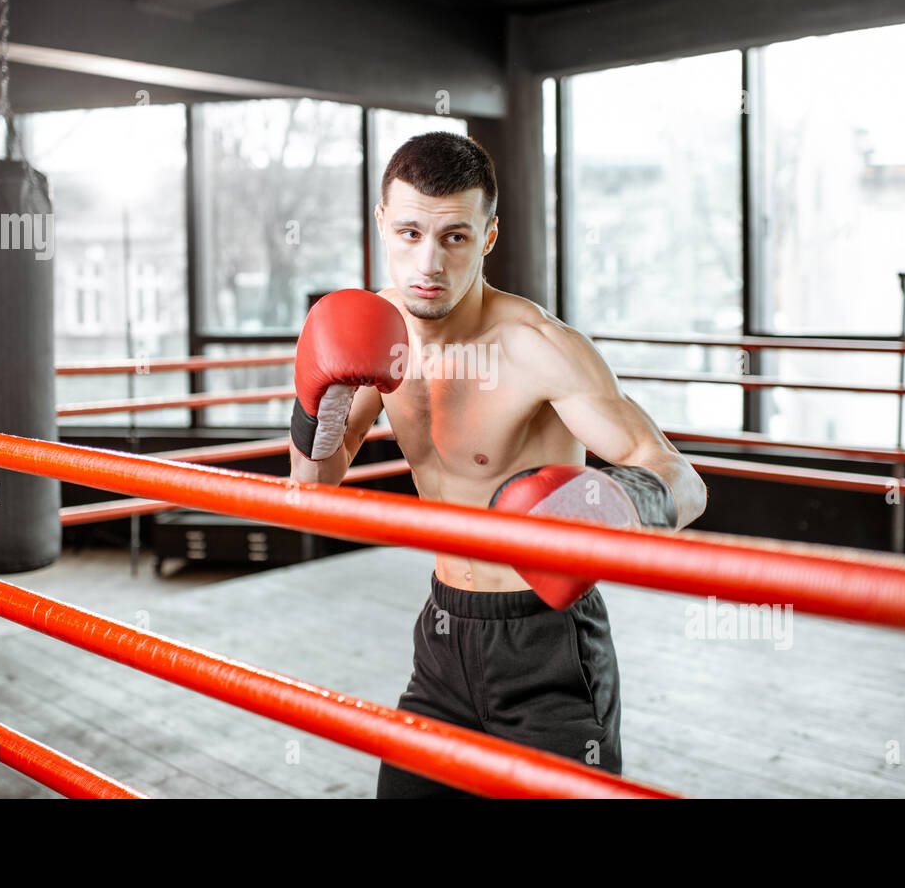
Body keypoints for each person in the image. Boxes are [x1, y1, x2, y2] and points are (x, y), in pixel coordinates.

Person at [288, 131, 707, 797]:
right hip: (443, 640)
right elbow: (314, 488)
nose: (428, 261)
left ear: (487, 237)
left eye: (455, 237)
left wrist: (597, 507)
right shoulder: (374, 333)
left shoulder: (537, 346)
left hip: (548, 649)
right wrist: (319, 403)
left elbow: (681, 479)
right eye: (409, 233)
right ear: (381, 226)